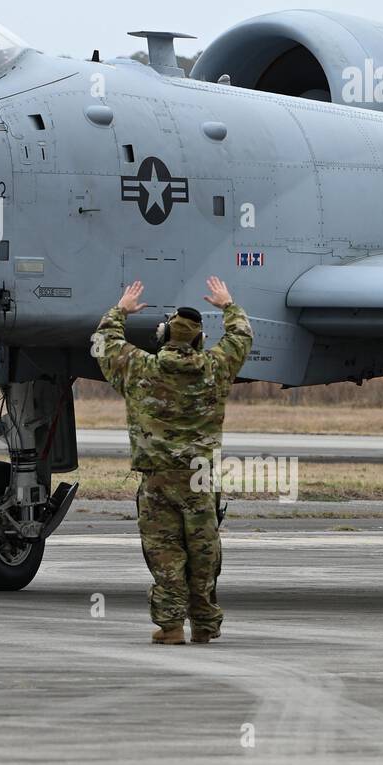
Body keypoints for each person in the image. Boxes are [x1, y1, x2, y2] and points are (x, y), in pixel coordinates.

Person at [93, 276, 253, 645]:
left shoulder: (140, 369)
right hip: (199, 480)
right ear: (199, 339)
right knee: (203, 553)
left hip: (156, 480)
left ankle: (170, 627)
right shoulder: (216, 369)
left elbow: (103, 342)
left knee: (165, 553)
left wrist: (121, 311)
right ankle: (205, 625)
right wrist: (228, 305)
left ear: (164, 336)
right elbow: (242, 338)